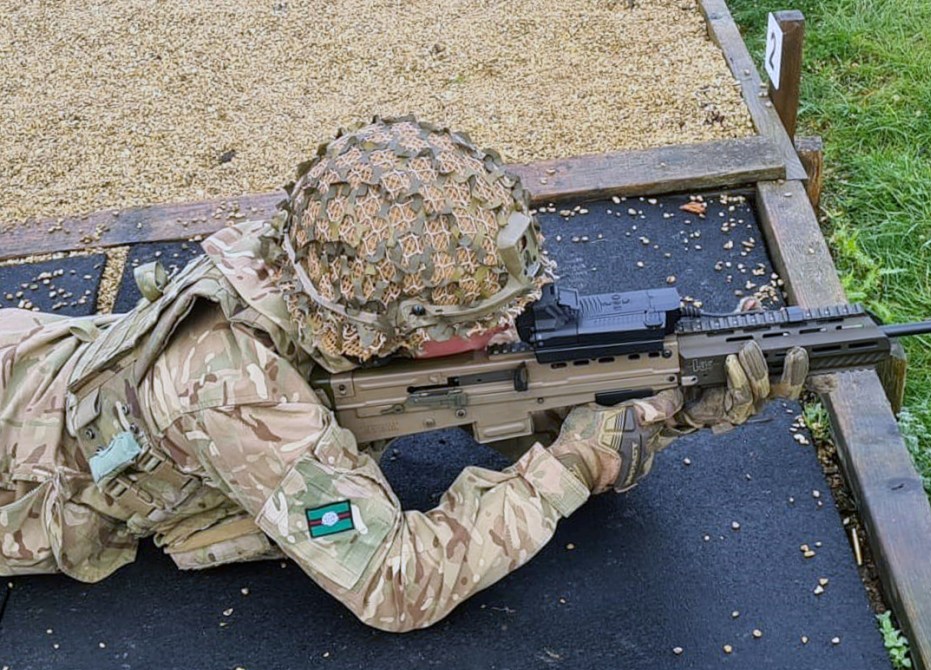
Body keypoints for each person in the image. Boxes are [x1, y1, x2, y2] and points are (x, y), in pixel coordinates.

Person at [0, 117, 808, 632]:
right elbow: (395, 584)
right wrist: (570, 466)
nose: (503, 330)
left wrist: (664, 403)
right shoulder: (241, 394)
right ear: (387, 329)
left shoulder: (327, 258)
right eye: (472, 326)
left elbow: (487, 380)